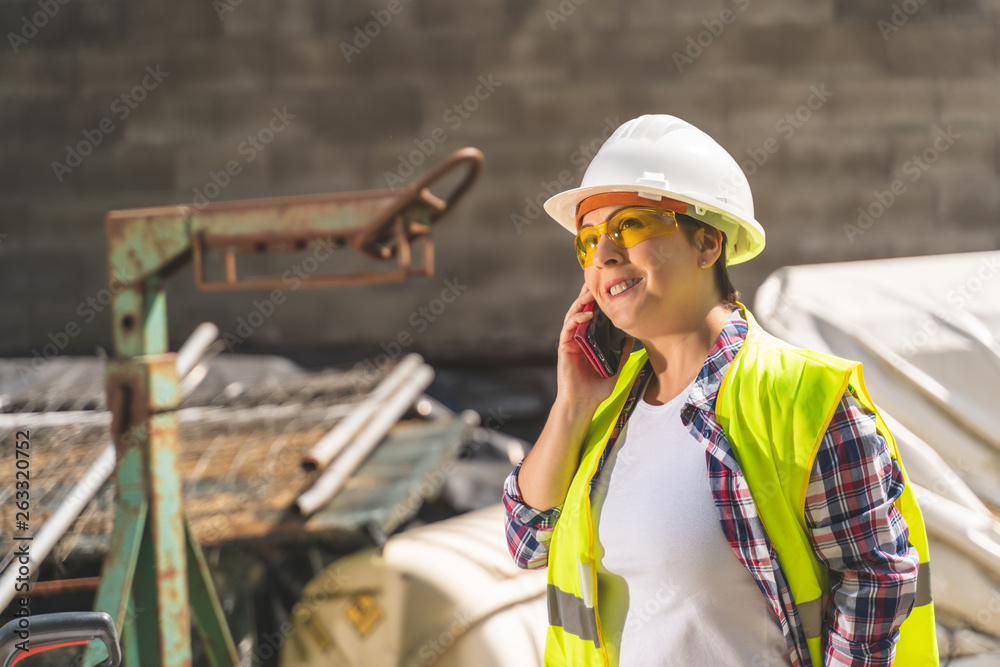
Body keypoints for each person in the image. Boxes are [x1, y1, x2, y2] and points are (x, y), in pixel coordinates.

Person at [502, 115, 937, 666]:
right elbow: (527, 542)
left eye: (632, 225)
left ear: (707, 243)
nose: (604, 255)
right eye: (588, 241)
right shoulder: (606, 412)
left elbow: (876, 581)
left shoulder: (801, 396)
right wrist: (571, 404)